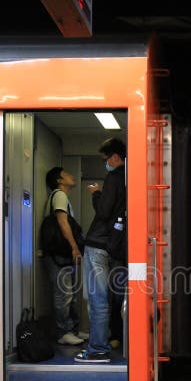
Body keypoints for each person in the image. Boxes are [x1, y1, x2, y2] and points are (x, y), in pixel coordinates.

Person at [76, 137, 127, 363]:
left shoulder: (114, 177)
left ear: (115, 157)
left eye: (106, 159)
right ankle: (108, 340)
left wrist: (96, 193)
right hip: (116, 247)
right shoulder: (129, 179)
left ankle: (97, 348)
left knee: (97, 298)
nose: (106, 163)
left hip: (98, 245)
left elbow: (104, 212)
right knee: (111, 297)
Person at [43, 167, 85, 346]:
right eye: (67, 173)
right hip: (58, 255)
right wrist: (74, 247)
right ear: (59, 180)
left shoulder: (62, 197)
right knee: (64, 294)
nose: (72, 175)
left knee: (70, 293)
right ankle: (63, 332)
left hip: (61, 255)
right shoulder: (59, 195)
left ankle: (72, 329)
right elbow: (62, 221)